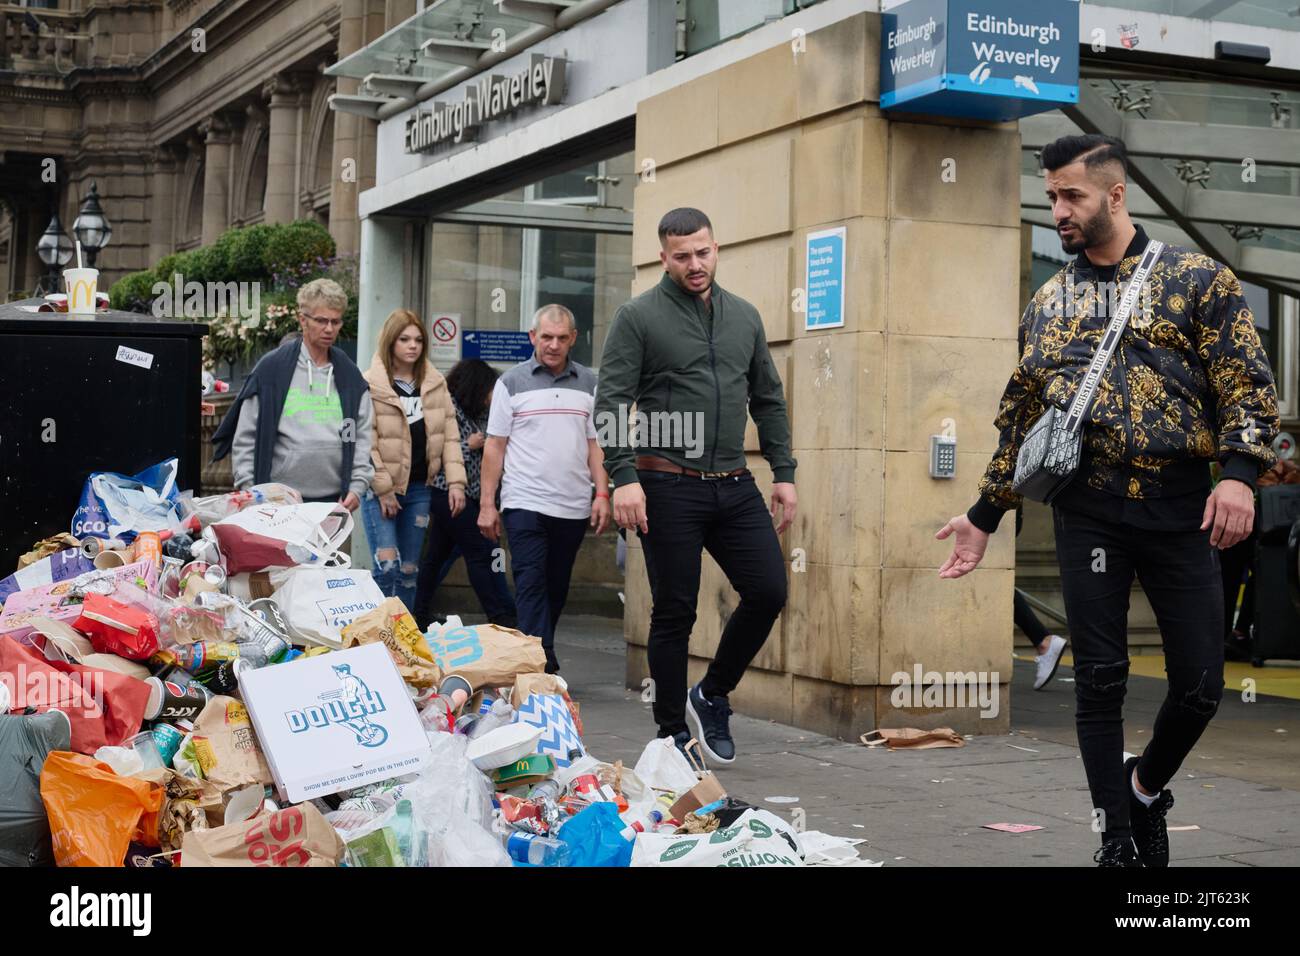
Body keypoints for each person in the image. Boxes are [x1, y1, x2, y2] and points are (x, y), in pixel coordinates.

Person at [935, 135, 1279, 867]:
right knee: (1100, 677)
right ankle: (1115, 840)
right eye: (1052, 195)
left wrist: (1240, 475)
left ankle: (1145, 788)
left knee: (1200, 684)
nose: (1058, 209)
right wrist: (983, 515)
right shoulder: (1051, 302)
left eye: (1072, 196)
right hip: (1088, 508)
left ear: (1115, 196)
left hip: (1182, 505)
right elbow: (1022, 424)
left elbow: (1248, 385)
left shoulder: (1198, 280)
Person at [596, 207, 797, 765]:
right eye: (682, 256)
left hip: (733, 483)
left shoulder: (745, 317)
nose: (695, 264)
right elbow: (611, 401)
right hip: (666, 485)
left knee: (769, 591)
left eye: (703, 252)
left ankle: (711, 694)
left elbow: (769, 399)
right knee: (675, 612)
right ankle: (669, 735)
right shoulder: (638, 317)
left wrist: (783, 472)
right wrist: (624, 478)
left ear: (716, 248)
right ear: (664, 257)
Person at [478, 305, 610, 673]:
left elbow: (595, 444)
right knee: (531, 580)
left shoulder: (589, 383)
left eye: (561, 338)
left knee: (556, 586)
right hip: (524, 501)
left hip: (572, 505)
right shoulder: (511, 382)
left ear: (573, 339)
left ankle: (534, 655)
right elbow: (495, 445)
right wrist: (488, 504)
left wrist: (602, 494)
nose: (553, 345)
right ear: (532, 337)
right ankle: (542, 666)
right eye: (546, 337)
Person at [212, 277, 373, 509]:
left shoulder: (349, 376)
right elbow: (247, 434)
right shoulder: (272, 369)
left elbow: (356, 434)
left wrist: (357, 487)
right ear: (303, 320)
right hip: (276, 500)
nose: (329, 329)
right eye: (321, 320)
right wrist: (250, 489)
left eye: (336, 322)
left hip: (335, 501)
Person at [360, 309, 466, 613]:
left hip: (420, 488)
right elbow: (366, 440)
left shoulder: (435, 383)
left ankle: (404, 638)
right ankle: (376, 634)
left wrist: (457, 483)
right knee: (387, 566)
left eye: (418, 340)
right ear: (390, 341)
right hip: (381, 490)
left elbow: (450, 435)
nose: (413, 346)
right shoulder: (370, 383)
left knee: (408, 570)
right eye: (404, 339)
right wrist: (383, 488)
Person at [414, 358, 518, 630]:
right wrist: (468, 445)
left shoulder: (483, 414)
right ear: (475, 387)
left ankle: (418, 613)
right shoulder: (449, 409)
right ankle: (500, 616)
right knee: (479, 553)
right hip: (445, 491)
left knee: (436, 557)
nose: (490, 399)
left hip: (472, 494)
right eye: (487, 392)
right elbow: (436, 451)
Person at [1012, 506, 1068, 690]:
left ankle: (1043, 641)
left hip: (994, 504)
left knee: (986, 581)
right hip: (996, 505)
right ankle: (1043, 641)